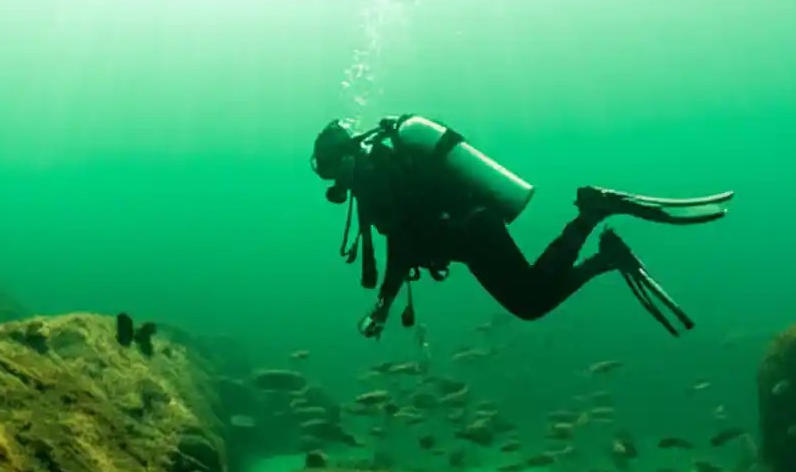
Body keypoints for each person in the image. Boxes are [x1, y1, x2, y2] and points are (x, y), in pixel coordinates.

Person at [309, 115, 734, 339]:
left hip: (473, 233)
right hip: (473, 233)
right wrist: (385, 304)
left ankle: (593, 215)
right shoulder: (380, 168)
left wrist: (383, 307)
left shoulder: (374, 177)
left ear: (342, 158)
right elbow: (404, 240)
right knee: (532, 299)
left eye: (330, 172)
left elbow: (401, 246)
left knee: (531, 302)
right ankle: (605, 252)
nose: (333, 183)